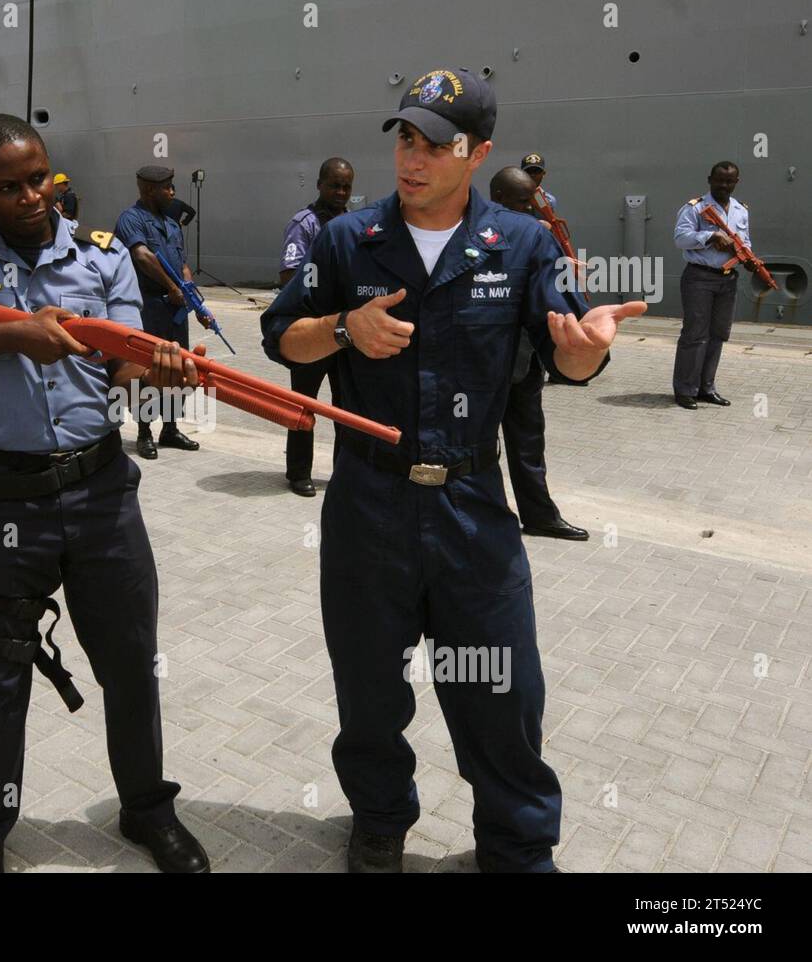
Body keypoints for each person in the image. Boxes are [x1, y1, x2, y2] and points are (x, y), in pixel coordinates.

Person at [261, 68, 645, 874]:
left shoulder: (525, 241)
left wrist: (584, 354)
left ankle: (514, 841)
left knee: (503, 689)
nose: (415, 157)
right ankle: (379, 819)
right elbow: (282, 337)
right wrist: (342, 328)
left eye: (438, 144)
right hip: (369, 501)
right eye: (406, 137)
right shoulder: (347, 239)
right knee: (369, 688)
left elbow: (567, 348)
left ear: (478, 154)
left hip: (473, 502)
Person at [0, 113, 210, 875]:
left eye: (39, 178)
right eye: (10, 186)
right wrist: (14, 334)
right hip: (5, 501)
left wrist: (156, 370)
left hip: (101, 494)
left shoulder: (100, 257)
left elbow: (123, 366)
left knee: (132, 662)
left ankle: (147, 812)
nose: (32, 196)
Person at [489, 167, 588, 541]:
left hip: (526, 362)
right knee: (482, 448)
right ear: (497, 197)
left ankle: (539, 515)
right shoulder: (478, 238)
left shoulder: (534, 237)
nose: (530, 210)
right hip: (488, 366)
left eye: (533, 202)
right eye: (521, 202)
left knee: (529, 443)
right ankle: (489, 515)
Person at [114, 165, 208, 459]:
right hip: (149, 306)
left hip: (175, 308)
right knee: (148, 368)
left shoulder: (171, 223)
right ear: (149, 189)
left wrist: (190, 291)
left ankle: (170, 427)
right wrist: (171, 288)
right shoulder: (131, 219)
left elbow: (182, 262)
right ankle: (144, 432)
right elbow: (142, 256)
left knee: (176, 366)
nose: (172, 192)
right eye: (167, 187)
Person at [277, 157, 354, 497]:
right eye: (334, 185)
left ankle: (345, 473)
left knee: (346, 406)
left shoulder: (353, 223)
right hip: (311, 330)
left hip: (346, 332)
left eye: (346, 186)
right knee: (303, 404)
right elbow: (289, 274)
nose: (340, 192)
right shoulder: (304, 224)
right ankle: (298, 472)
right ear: (320, 184)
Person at [671, 161, 748, 410]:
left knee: (718, 335)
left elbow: (744, 241)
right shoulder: (695, 208)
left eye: (729, 181)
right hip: (700, 277)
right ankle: (685, 390)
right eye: (719, 180)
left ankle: (706, 388)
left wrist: (748, 258)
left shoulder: (740, 210)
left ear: (737, 182)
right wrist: (710, 236)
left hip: (727, 279)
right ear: (709, 179)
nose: (724, 185)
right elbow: (680, 238)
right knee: (694, 335)